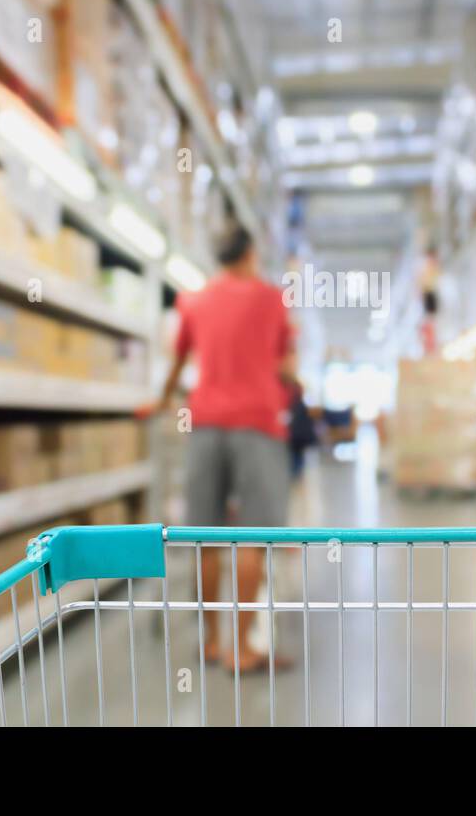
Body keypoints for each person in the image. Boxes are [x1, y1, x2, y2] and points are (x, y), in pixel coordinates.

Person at [153, 224, 294, 672]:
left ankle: (212, 642)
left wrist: (160, 400)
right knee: (253, 537)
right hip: (257, 422)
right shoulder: (271, 300)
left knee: (205, 539)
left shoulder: (194, 301)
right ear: (250, 253)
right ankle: (242, 649)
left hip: (206, 423)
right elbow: (286, 366)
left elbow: (178, 361)